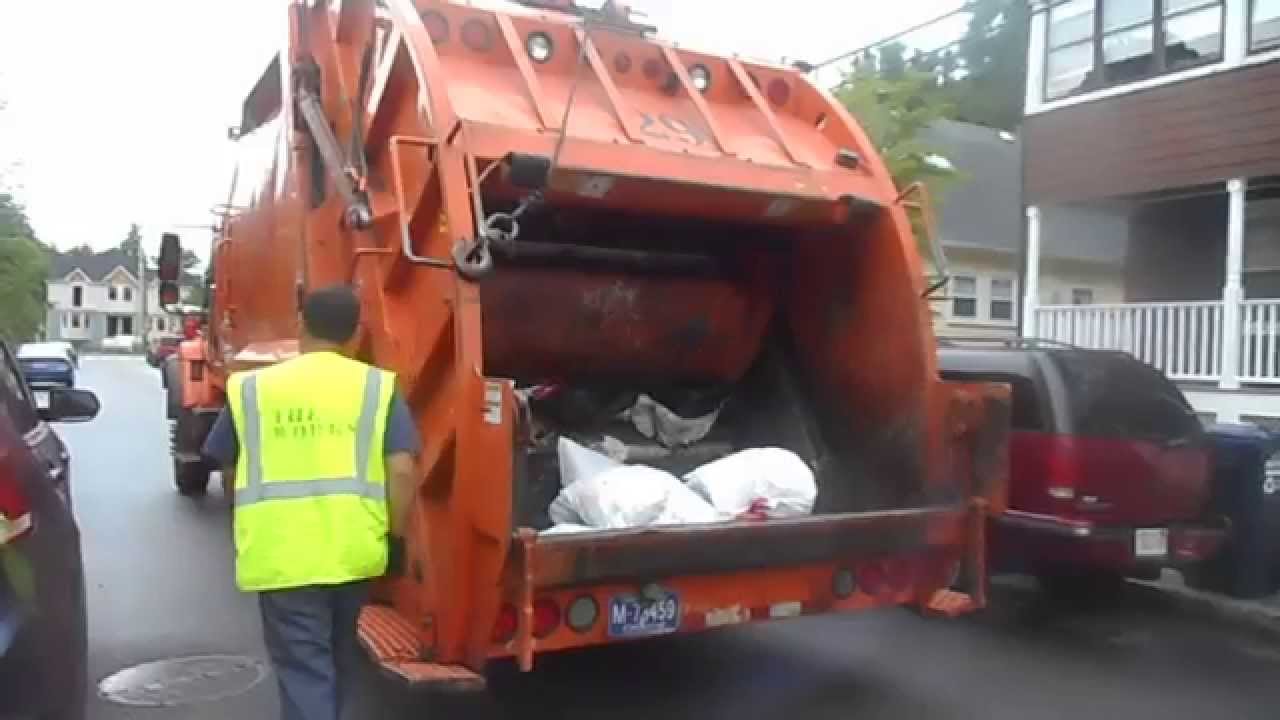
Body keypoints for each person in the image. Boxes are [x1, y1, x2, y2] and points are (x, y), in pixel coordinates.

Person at [202, 285, 419, 720]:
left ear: (301, 325)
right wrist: (395, 537)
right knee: (341, 661)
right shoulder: (377, 388)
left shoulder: (253, 390)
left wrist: (245, 519)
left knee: (305, 670)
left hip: (284, 556)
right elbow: (402, 470)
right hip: (354, 551)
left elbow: (225, 462)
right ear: (356, 333)